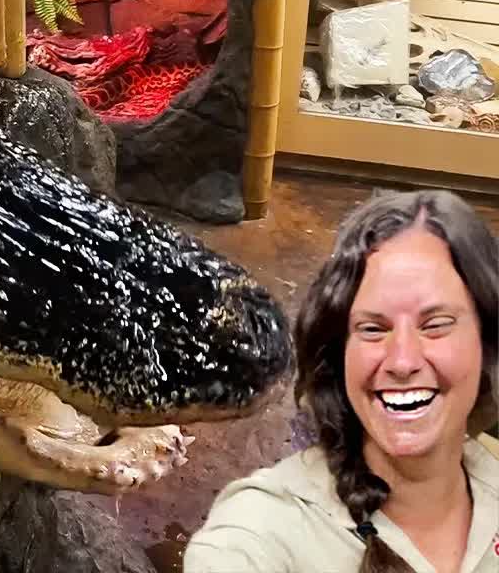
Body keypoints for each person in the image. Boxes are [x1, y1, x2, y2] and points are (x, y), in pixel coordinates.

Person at [184, 189, 499, 573]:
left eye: (435, 325)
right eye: (372, 328)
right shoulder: (257, 531)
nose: (402, 361)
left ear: (487, 342)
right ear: (338, 353)